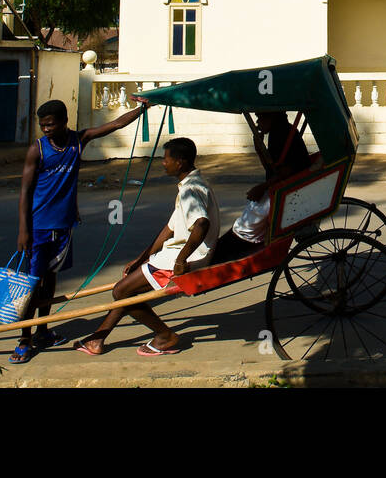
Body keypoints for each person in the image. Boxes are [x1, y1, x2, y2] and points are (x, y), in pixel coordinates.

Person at [10, 95, 148, 364]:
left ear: (64, 122)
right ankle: (24, 340)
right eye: (43, 125)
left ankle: (43, 330)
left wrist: (142, 108)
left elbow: (117, 124)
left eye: (50, 124)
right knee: (31, 286)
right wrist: (23, 230)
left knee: (50, 281)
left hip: (63, 227)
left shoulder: (78, 140)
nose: (46, 129)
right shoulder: (37, 149)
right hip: (38, 227)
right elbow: (25, 191)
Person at [76, 137, 219, 356]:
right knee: (128, 290)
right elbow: (169, 229)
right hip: (172, 255)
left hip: (181, 260)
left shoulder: (190, 190)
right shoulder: (191, 185)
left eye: (166, 159)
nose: (163, 163)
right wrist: (143, 258)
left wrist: (181, 260)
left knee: (121, 290)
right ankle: (97, 340)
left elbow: (201, 223)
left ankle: (165, 336)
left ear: (179, 162)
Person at [212, 112, 313, 263]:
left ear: (271, 117)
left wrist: (262, 187)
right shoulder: (279, 132)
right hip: (281, 188)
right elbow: (273, 168)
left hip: (287, 190)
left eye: (260, 118)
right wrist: (259, 148)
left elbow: (287, 171)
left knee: (247, 225)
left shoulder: (282, 134)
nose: (258, 122)